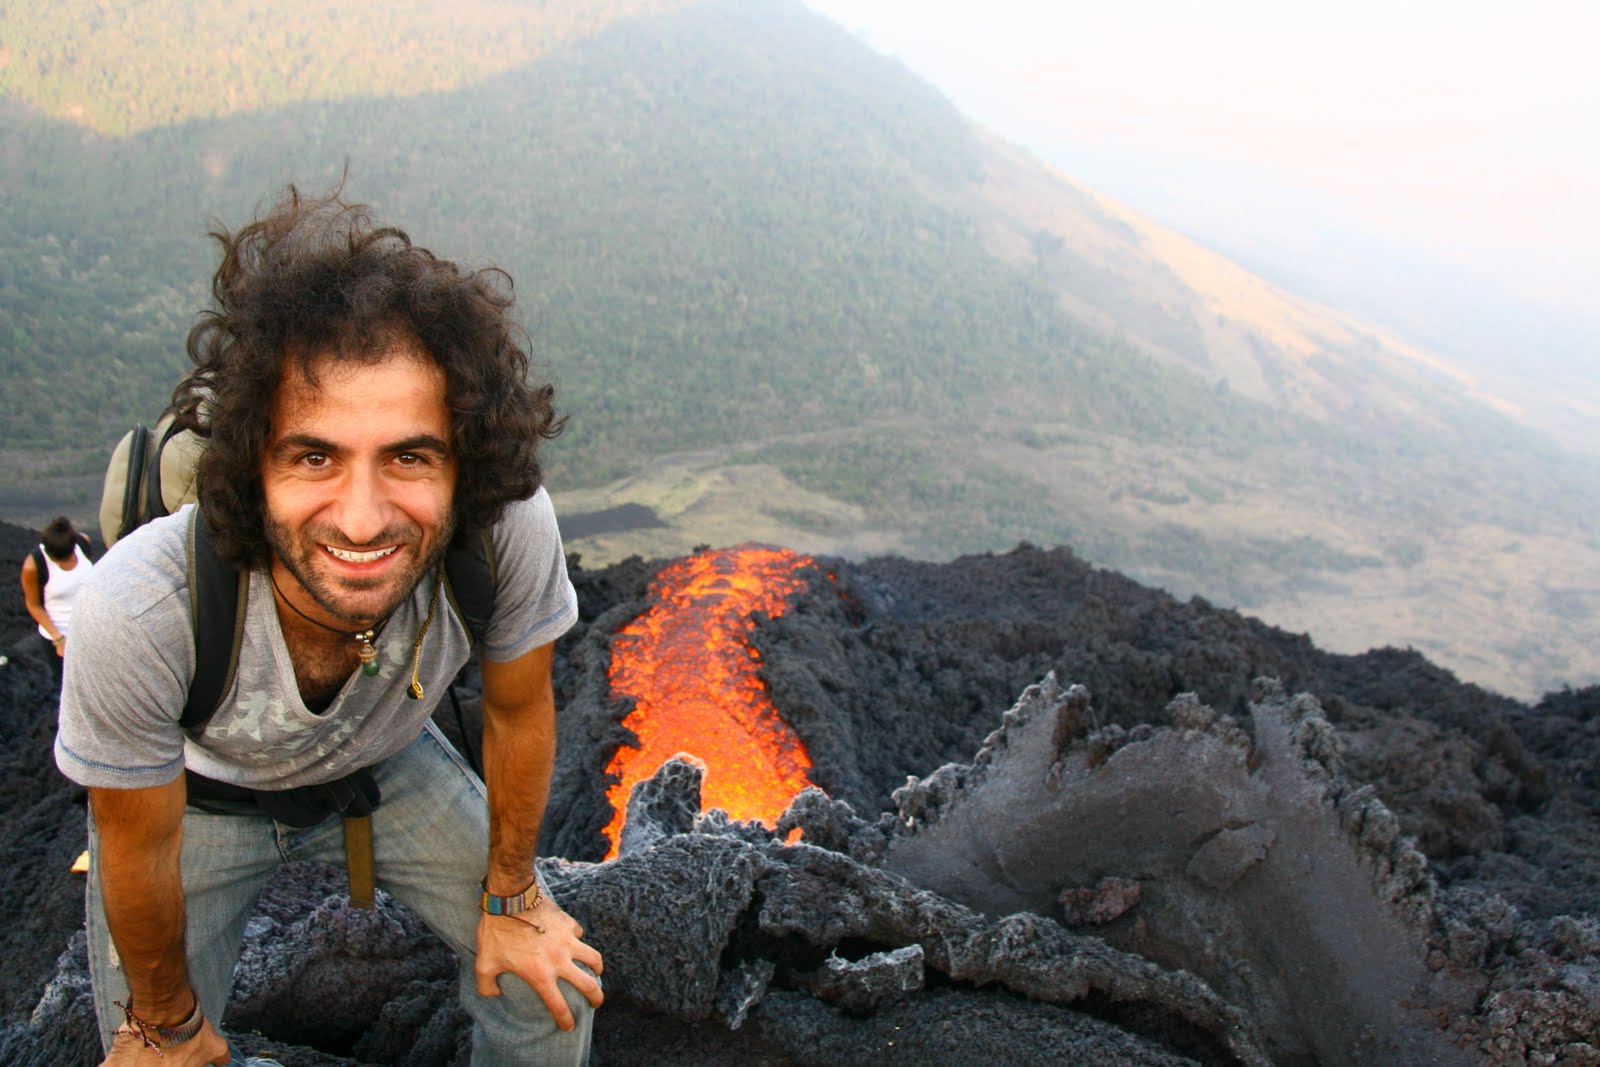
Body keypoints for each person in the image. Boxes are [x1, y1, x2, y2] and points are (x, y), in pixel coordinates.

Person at [54, 186, 604, 1066]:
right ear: (250, 463)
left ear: (468, 462)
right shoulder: (143, 608)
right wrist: (165, 1023)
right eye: (313, 455)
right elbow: (135, 837)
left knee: (553, 981)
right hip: (203, 797)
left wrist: (514, 898)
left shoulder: (505, 529)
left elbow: (517, 709)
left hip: (384, 767)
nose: (359, 518)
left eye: (410, 456)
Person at [19, 515, 93, 687]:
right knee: (67, 686)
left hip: (88, 629)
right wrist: (58, 639)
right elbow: (33, 605)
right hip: (59, 637)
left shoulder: (82, 543)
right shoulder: (34, 565)